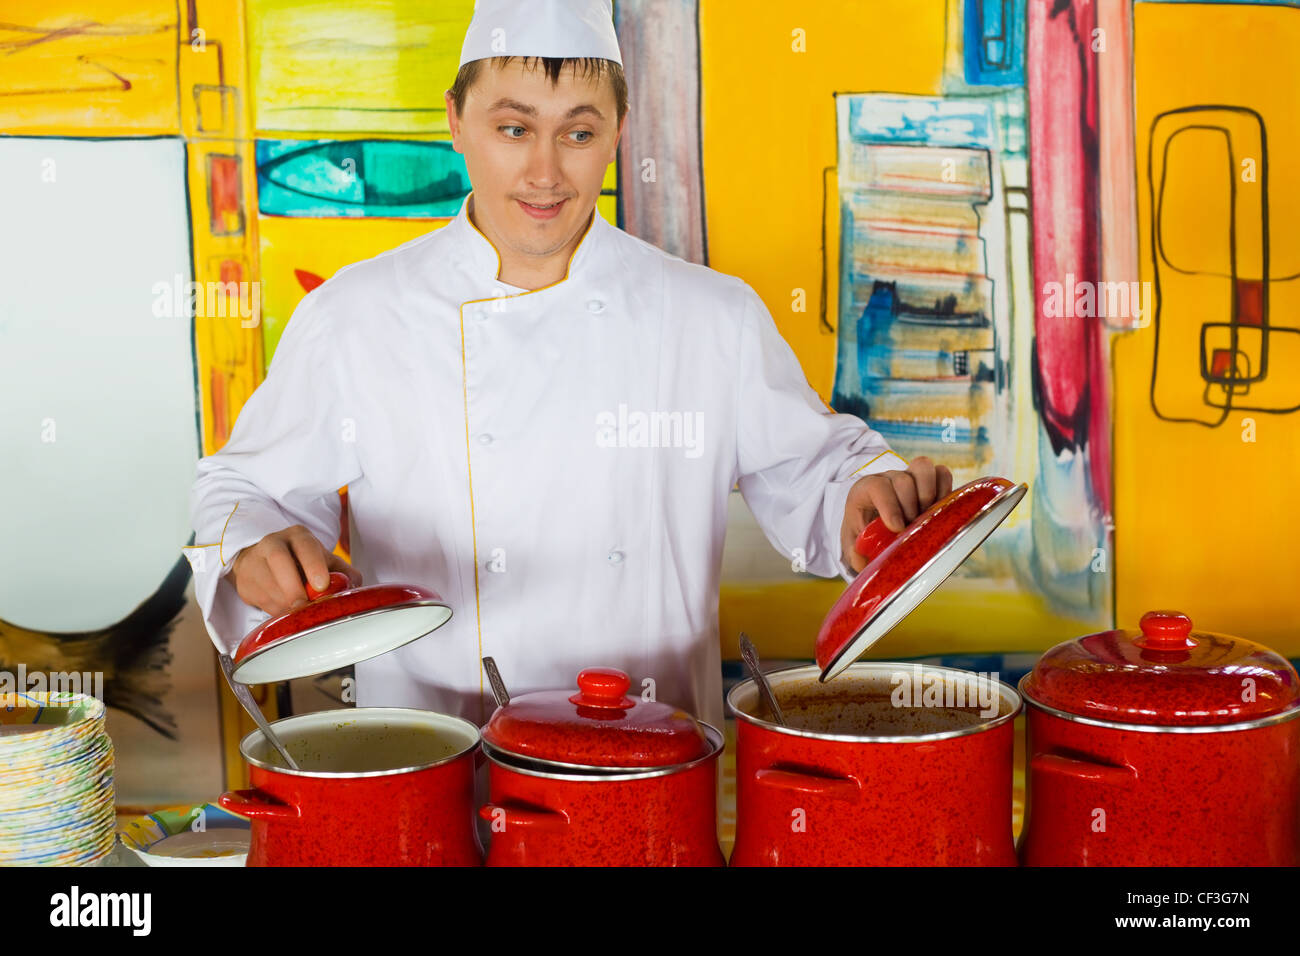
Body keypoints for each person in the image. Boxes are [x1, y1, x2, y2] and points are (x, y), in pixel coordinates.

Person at [185, 0, 952, 735]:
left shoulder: (710, 316)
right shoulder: (355, 317)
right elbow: (242, 488)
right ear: (457, 119)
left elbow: (821, 479)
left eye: (577, 133)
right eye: (513, 127)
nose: (545, 173)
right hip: (442, 778)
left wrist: (867, 502)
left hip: (651, 781)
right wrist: (257, 545)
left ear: (618, 128)